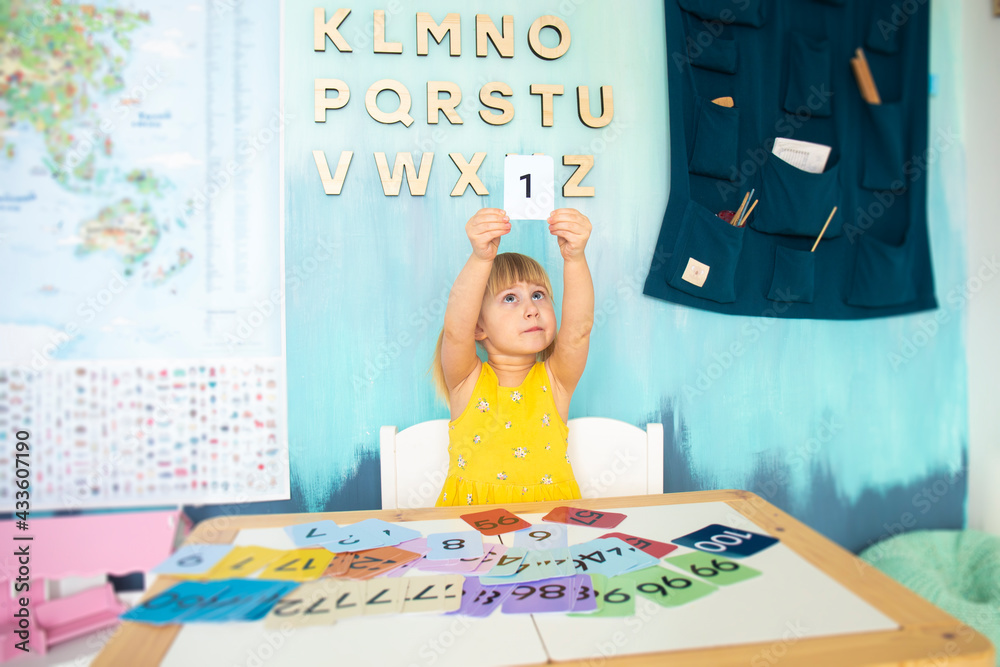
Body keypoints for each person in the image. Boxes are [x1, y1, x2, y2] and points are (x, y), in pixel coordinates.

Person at [431, 207, 594, 506]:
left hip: (548, 521)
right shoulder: (467, 381)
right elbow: (455, 331)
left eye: (538, 295)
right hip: (471, 522)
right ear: (478, 326)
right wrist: (481, 259)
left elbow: (578, 332)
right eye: (510, 298)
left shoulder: (555, 381)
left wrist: (575, 259)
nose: (531, 309)